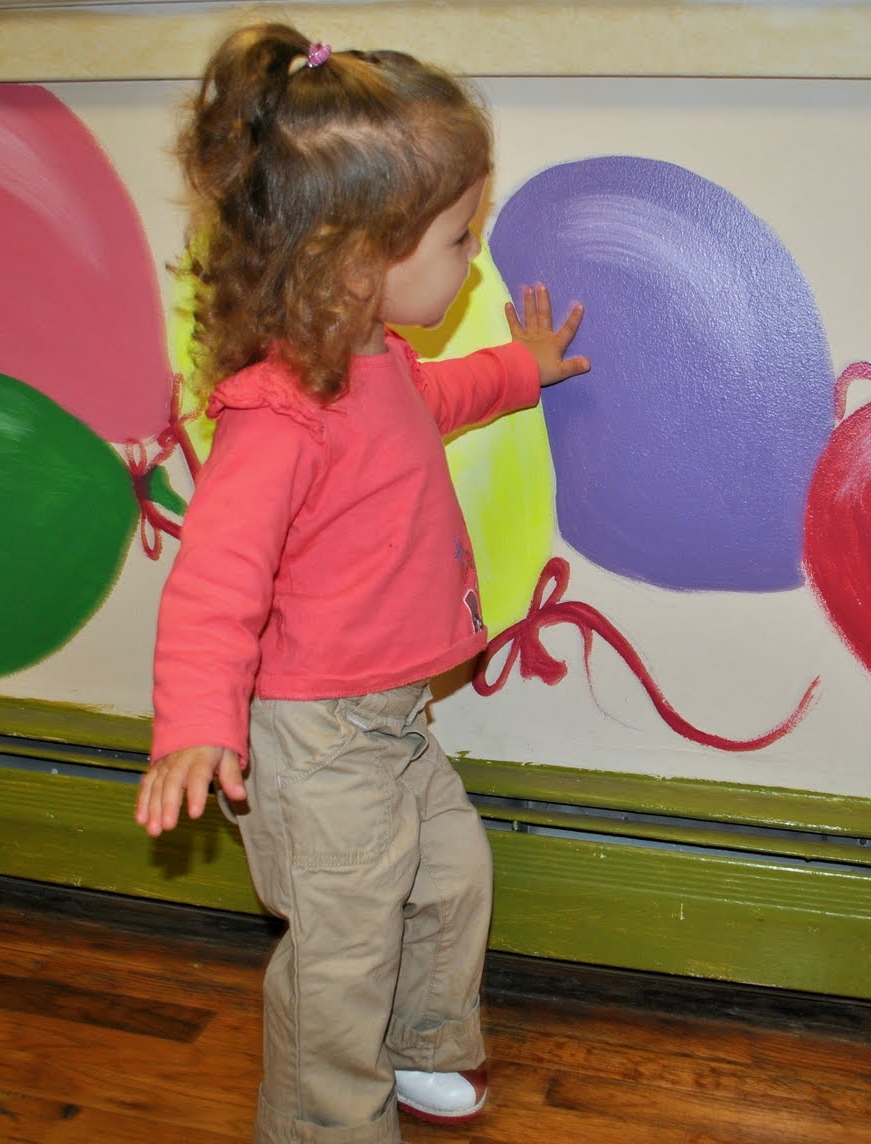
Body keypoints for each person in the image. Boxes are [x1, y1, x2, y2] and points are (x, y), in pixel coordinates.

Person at [133, 22, 590, 1144]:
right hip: (314, 736)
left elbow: (428, 409)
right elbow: (214, 580)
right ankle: (325, 1123)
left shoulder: (372, 362)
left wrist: (520, 375)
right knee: (341, 956)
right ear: (354, 256)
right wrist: (194, 718)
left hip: (387, 724)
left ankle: (424, 1049)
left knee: (451, 883)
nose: (471, 259)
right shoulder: (275, 416)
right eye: (456, 236)